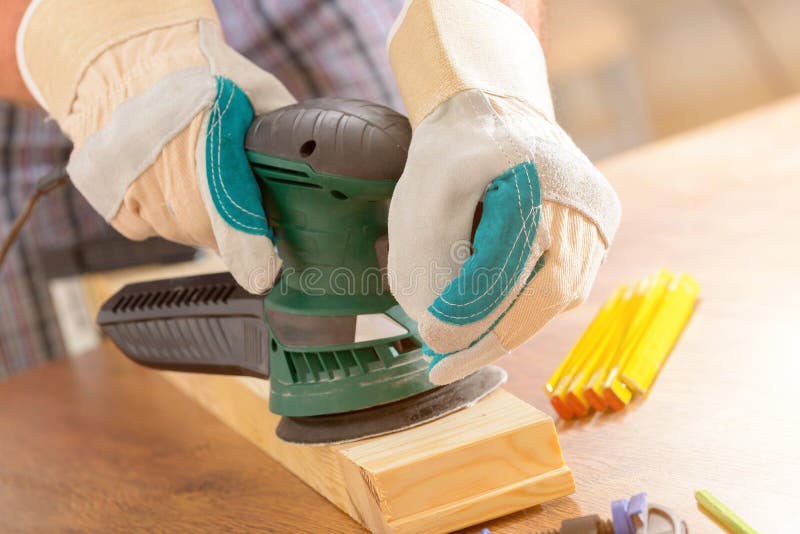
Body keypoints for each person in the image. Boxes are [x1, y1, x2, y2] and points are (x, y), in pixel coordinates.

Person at [3, 0, 619, 385]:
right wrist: (97, 51)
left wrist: (483, 48)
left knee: (399, 167)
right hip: (41, 89)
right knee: (92, 420)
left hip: (340, 18)